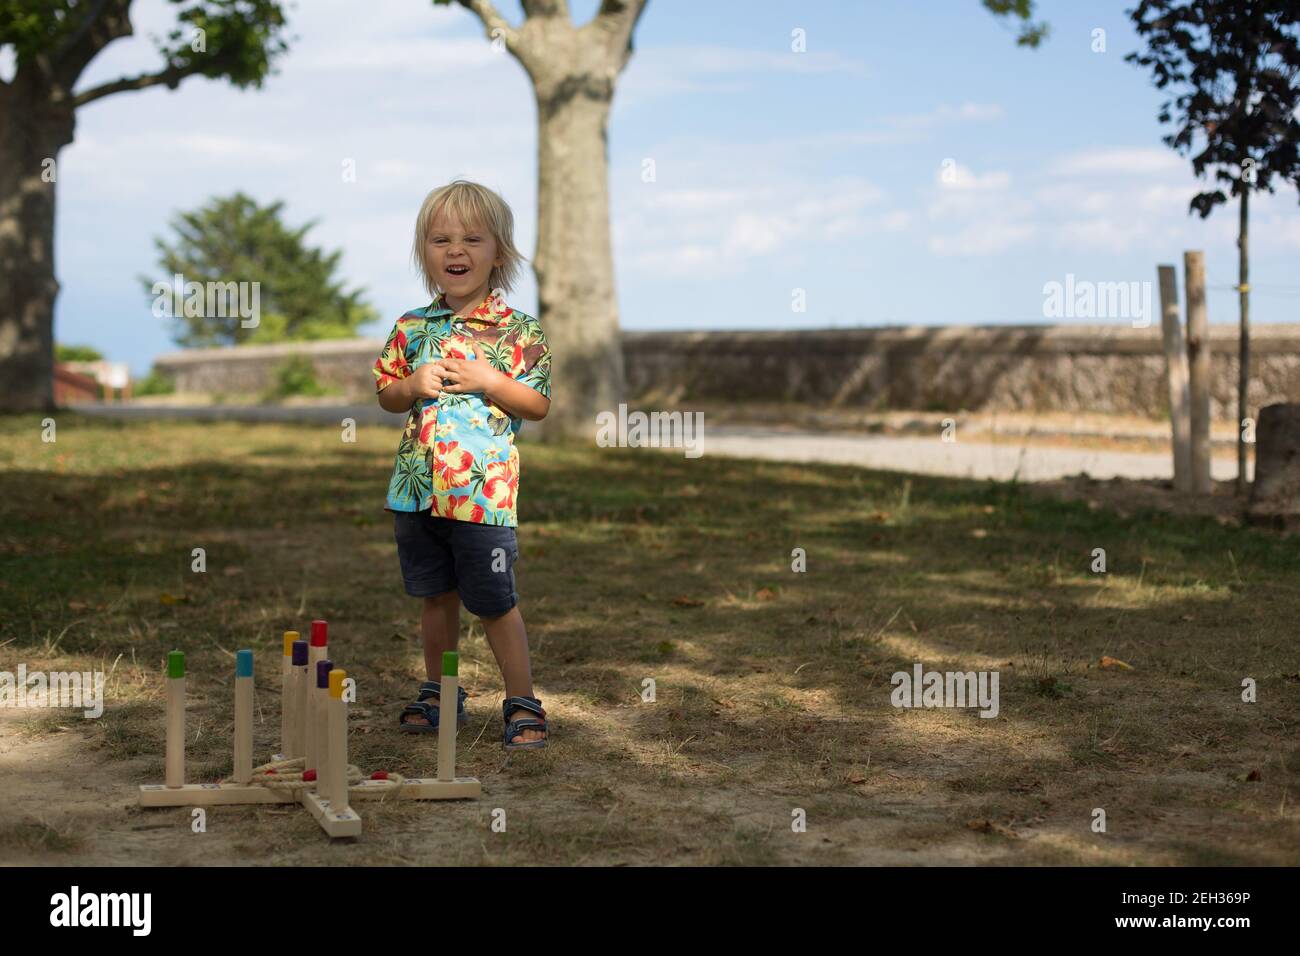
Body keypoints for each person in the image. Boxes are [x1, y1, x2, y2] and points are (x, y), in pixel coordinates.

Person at [374, 180, 551, 749]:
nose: (456, 250)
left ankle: (521, 700)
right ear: (424, 252)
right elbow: (386, 395)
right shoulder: (411, 328)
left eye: (473, 238)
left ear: (498, 252)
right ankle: (440, 690)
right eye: (440, 239)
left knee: (494, 600)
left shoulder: (519, 331)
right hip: (417, 491)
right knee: (435, 597)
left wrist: (489, 380)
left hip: (482, 497)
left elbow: (538, 405)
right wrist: (409, 384)